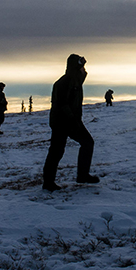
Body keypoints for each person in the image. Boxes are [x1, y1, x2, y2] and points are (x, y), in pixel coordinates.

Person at [42, 54, 99, 191]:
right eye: (82, 67)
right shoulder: (64, 82)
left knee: (87, 143)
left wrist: (74, 120)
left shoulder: (75, 81)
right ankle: (48, 183)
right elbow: (62, 104)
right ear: (76, 67)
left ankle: (82, 175)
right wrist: (72, 119)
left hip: (72, 120)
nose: (84, 69)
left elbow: (81, 78)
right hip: (61, 122)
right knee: (56, 151)